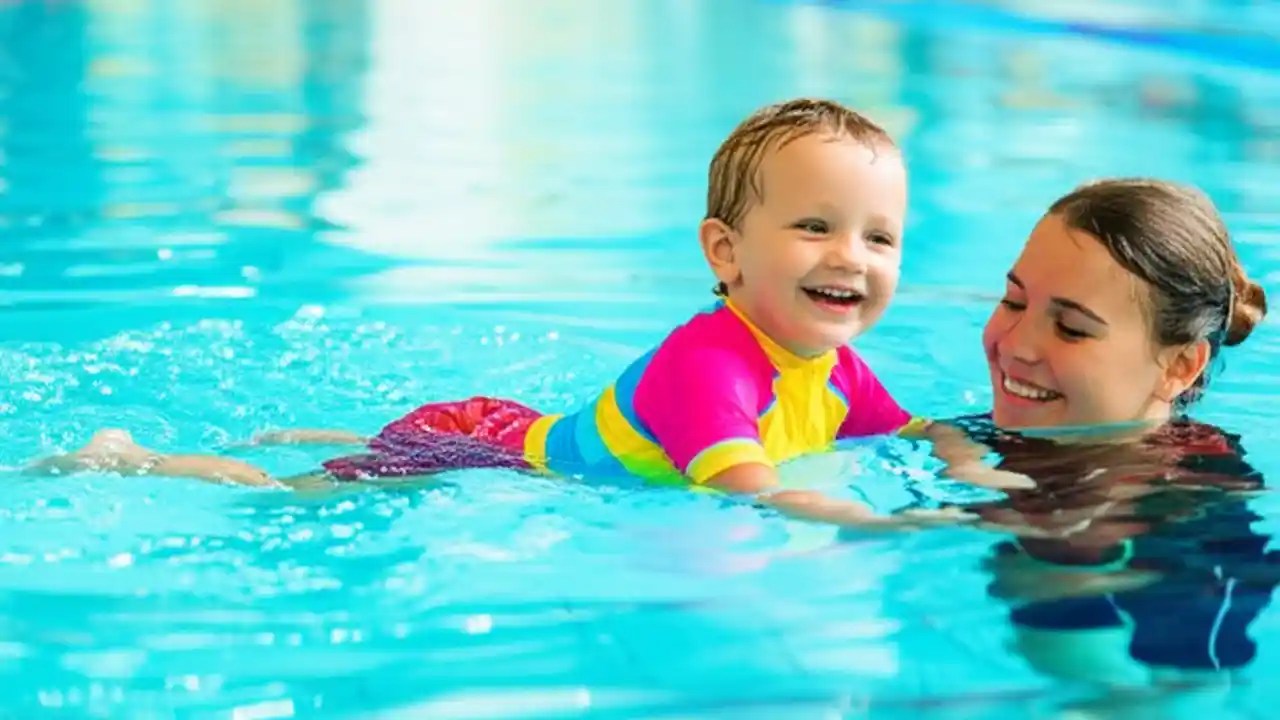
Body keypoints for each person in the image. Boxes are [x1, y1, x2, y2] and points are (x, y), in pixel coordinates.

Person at [35, 98, 968, 528]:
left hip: (510, 431)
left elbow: (919, 430)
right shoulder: (708, 366)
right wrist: (882, 527)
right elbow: (751, 491)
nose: (852, 257)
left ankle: (320, 427)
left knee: (365, 450)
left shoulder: (835, 366)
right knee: (300, 499)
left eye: (879, 239)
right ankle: (134, 456)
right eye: (815, 227)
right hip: (478, 448)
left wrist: (973, 457)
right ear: (724, 253)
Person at [924, 178, 1277, 695]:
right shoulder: (968, 438)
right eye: (1013, 301)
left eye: (1071, 328)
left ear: (1179, 365)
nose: (1017, 347)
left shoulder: (1200, 490)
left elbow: (1200, 684)